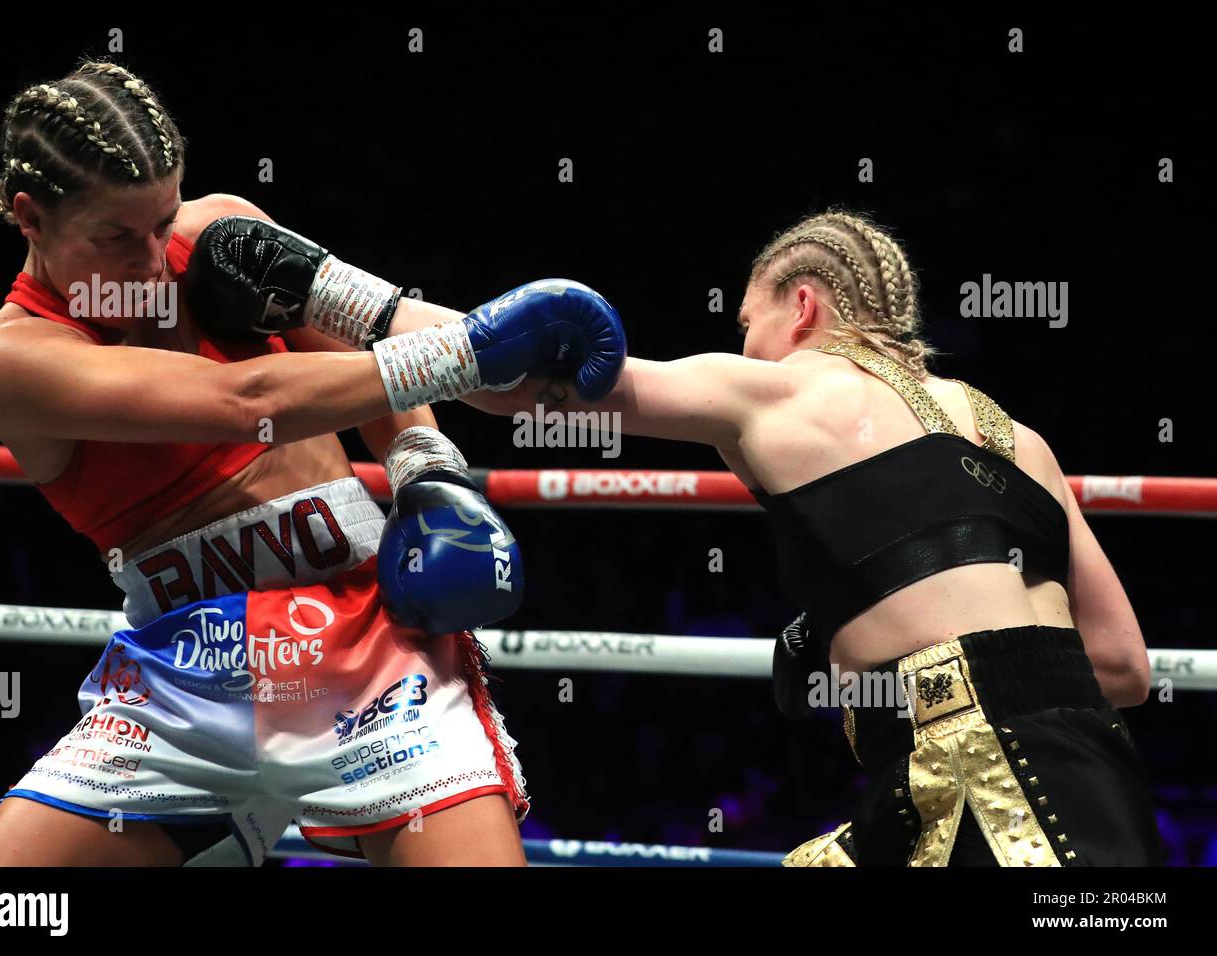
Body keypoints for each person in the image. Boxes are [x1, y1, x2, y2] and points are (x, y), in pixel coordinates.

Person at [0, 59, 624, 867]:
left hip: (367, 639)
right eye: (116, 238)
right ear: (29, 217)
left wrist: (423, 464)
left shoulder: (217, 231)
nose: (151, 257)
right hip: (184, 676)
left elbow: (362, 344)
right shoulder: (9, 358)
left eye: (163, 220)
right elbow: (249, 401)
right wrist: (466, 352)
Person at [462, 209, 1163, 866]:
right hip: (1102, 787)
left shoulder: (787, 392)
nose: (743, 345)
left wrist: (365, 303)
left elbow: (520, 373)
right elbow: (1124, 667)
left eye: (747, 321)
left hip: (991, 795)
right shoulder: (1021, 439)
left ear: (801, 308)